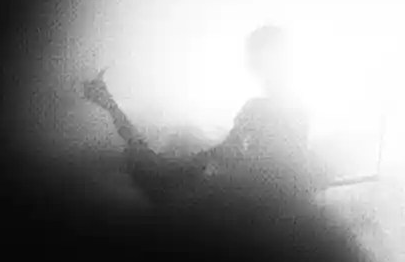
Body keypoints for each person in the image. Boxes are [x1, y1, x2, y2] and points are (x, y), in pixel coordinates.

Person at [83, 25, 322, 205]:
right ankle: (108, 102)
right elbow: (284, 163)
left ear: (260, 62)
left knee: (150, 164)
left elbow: (232, 156)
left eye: (253, 57)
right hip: (272, 196)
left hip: (253, 199)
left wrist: (191, 162)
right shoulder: (297, 107)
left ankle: (107, 101)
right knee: (162, 159)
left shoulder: (258, 109)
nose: (249, 63)